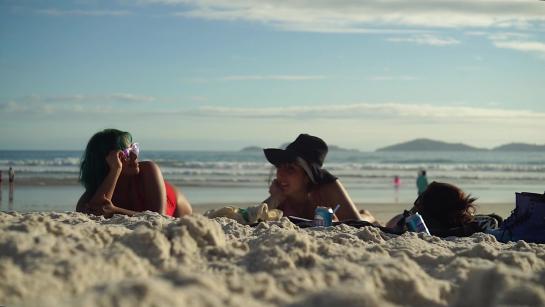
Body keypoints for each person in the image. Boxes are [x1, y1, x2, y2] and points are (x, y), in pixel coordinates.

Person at [76, 129, 192, 217]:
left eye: (134, 149)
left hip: (175, 207)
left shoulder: (148, 169)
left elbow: (159, 217)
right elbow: (94, 210)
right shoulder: (96, 189)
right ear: (105, 161)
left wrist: (115, 210)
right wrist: (115, 169)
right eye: (126, 153)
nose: (135, 155)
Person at [262, 134, 364, 222]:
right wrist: (273, 199)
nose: (281, 174)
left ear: (308, 176)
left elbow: (356, 222)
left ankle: (367, 215)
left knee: (364, 218)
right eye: (279, 167)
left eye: (290, 168)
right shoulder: (279, 194)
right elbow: (251, 220)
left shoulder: (327, 187)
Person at [385, 181, 498, 237]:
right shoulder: (460, 226)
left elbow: (390, 227)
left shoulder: (418, 225)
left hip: (396, 222)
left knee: (368, 215)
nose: (416, 203)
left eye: (420, 199)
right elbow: (492, 220)